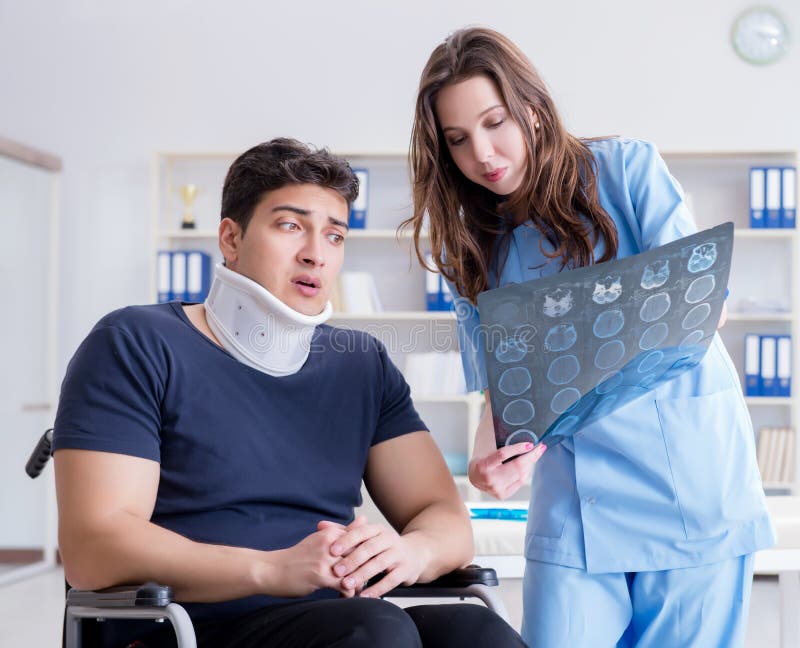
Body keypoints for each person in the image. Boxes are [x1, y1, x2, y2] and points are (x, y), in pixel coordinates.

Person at [52, 138, 525, 648]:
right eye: (290, 225)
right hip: (186, 625)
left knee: (476, 631)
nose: (315, 254)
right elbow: (92, 546)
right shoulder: (136, 344)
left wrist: (410, 553)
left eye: (335, 235)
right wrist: (272, 569)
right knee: (376, 630)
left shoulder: (360, 364)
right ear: (230, 239)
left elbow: (445, 517)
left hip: (336, 621)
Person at [406, 27, 775, 648]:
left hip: (687, 482)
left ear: (530, 106)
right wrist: (488, 458)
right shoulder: (472, 243)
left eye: (496, 122)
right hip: (574, 507)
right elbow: (504, 390)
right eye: (459, 139)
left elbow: (703, 304)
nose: (484, 154)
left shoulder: (626, 169)